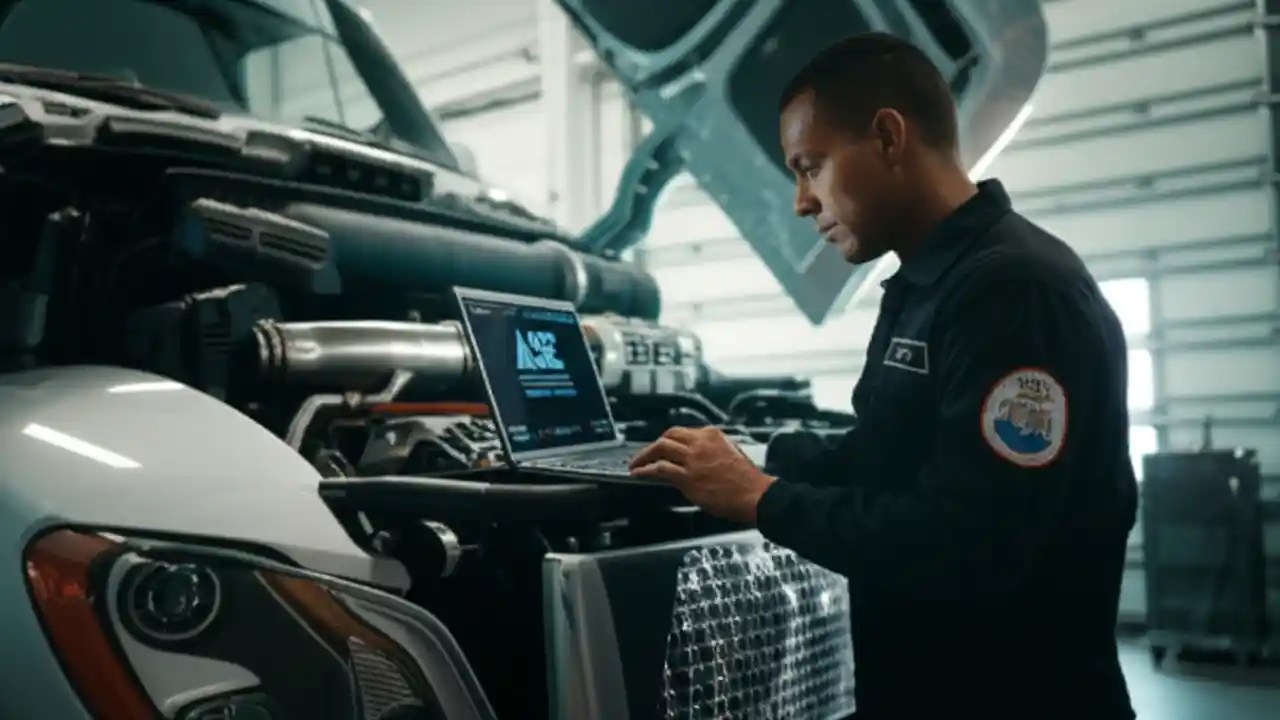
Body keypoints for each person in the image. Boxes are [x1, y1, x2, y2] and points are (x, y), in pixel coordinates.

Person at [628, 32, 1138, 719]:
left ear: (889, 137)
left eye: (810, 165)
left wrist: (763, 499)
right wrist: (748, 458)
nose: (801, 201)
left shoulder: (1013, 291)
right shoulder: (933, 283)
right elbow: (886, 457)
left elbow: (969, 541)